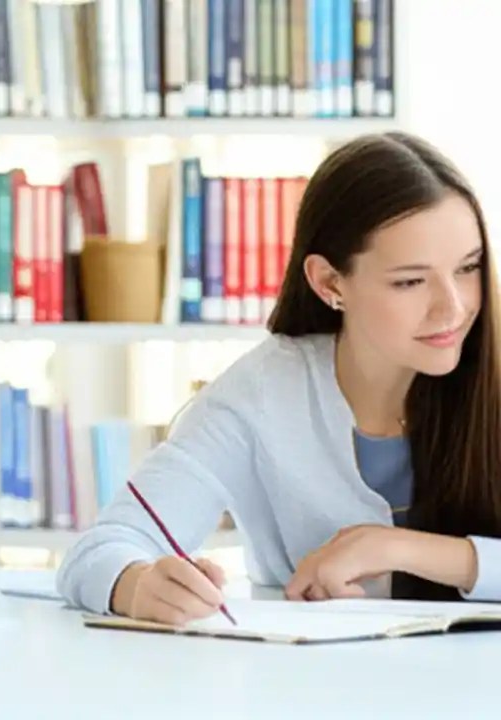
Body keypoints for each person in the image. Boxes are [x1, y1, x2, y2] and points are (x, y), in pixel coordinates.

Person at [57, 131, 501, 626]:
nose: (454, 306)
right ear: (330, 283)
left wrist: (395, 548)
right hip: (311, 692)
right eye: (410, 281)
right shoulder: (263, 393)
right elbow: (98, 550)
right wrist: (136, 585)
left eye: (468, 267)